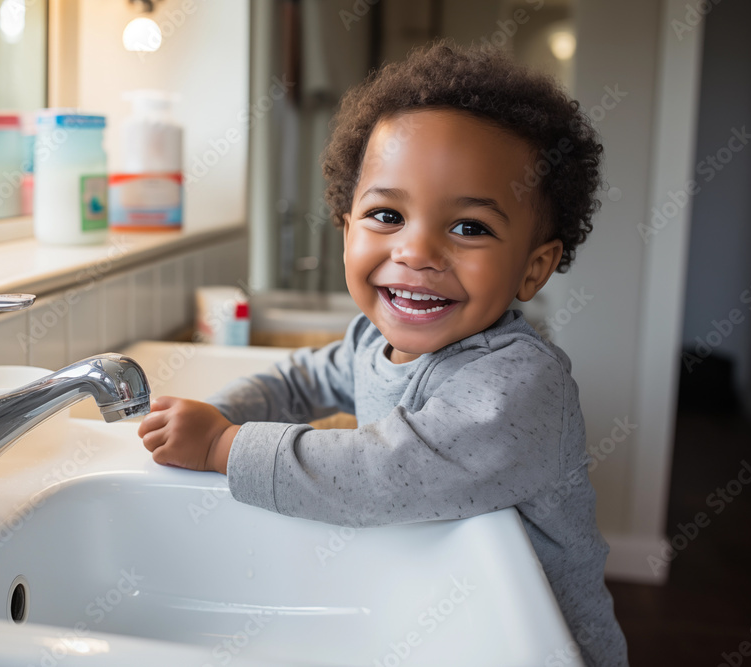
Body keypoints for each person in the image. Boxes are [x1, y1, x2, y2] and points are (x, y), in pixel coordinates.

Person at [138, 40, 628, 666]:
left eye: (469, 227)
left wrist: (220, 446)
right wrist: (220, 409)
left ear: (533, 269)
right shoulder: (375, 340)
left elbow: (384, 473)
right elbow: (302, 380)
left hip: (539, 644)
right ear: (346, 231)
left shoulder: (518, 383)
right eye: (387, 214)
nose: (417, 250)